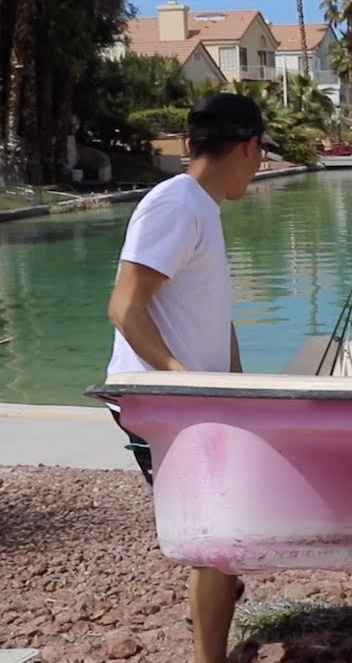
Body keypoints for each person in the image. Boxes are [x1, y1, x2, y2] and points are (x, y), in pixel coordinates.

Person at [104, 91, 277, 663]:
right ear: (248, 147)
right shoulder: (175, 205)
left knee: (225, 531)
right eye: (261, 155)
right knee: (214, 537)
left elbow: (210, 312)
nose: (260, 167)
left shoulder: (202, 206)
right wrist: (181, 380)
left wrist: (240, 389)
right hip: (165, 404)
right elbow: (126, 306)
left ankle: (219, 608)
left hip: (197, 402)